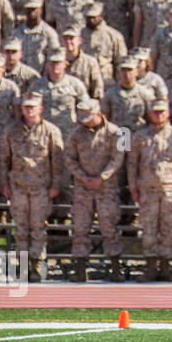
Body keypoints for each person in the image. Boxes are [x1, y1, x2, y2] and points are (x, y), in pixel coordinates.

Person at [0, 94, 63, 283]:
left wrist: (55, 185)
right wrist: (4, 184)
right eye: (26, 107)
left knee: (38, 228)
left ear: (40, 109)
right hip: (18, 188)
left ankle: (37, 266)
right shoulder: (11, 131)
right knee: (20, 229)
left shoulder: (51, 131)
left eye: (33, 107)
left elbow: (57, 161)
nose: (29, 110)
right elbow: (4, 160)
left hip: (41, 188)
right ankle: (23, 265)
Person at [127, 98, 172, 282]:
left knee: (168, 229)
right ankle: (150, 267)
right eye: (155, 112)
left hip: (170, 189)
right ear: (149, 114)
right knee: (148, 229)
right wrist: (133, 187)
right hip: (147, 190)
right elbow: (132, 164)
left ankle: (165, 266)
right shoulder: (139, 137)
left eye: (162, 111)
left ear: (168, 113)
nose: (159, 115)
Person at [65, 98, 126, 282]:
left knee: (109, 227)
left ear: (99, 115)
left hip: (106, 188)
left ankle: (116, 268)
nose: (85, 121)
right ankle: (80, 268)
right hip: (83, 188)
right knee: (81, 227)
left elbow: (118, 158)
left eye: (88, 117)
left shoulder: (117, 132)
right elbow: (69, 159)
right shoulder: (76, 134)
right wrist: (82, 176)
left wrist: (103, 177)